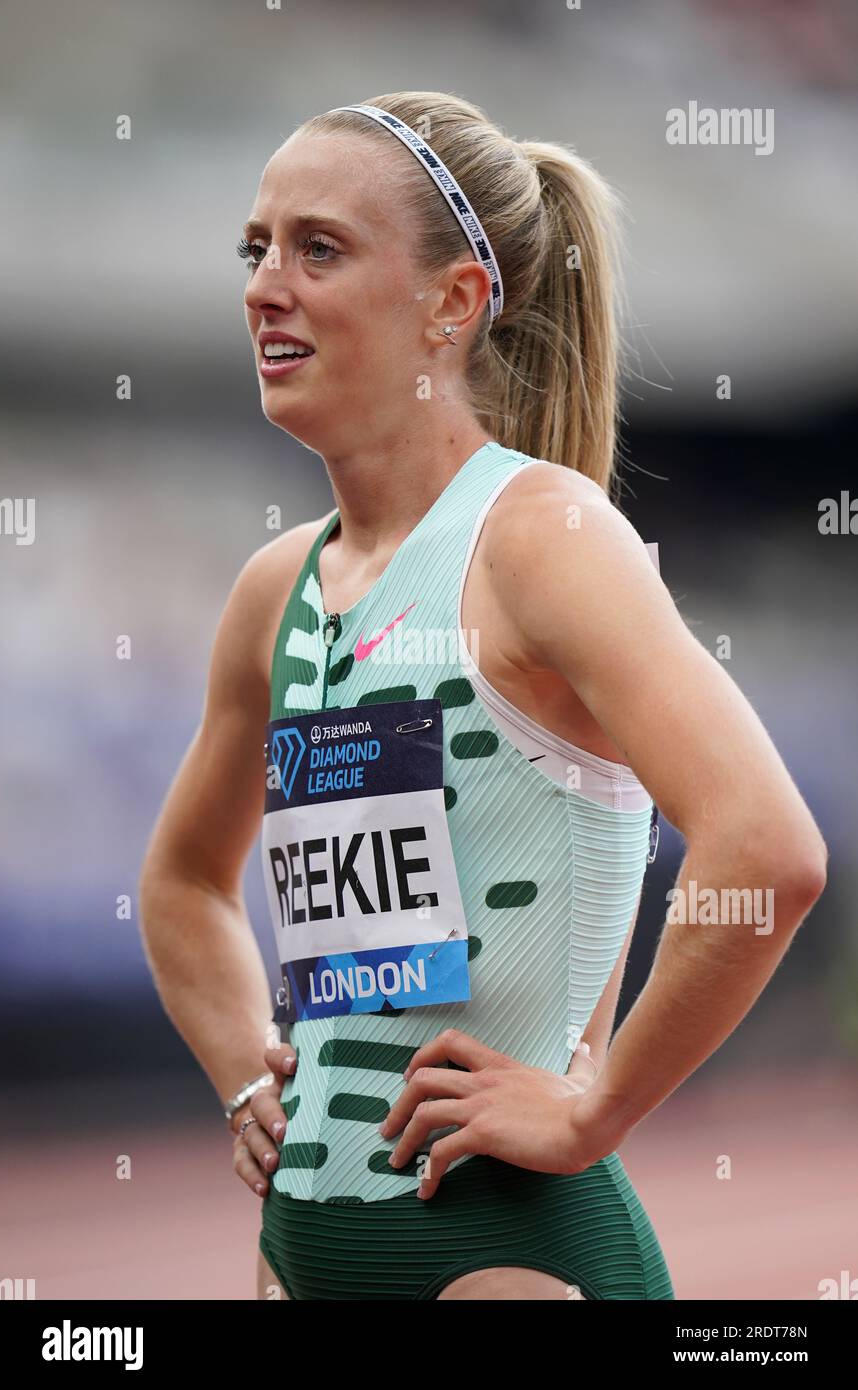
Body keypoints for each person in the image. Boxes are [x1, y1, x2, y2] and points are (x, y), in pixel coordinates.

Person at [138, 92, 827, 1302]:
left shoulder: (541, 540)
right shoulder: (274, 591)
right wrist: (250, 1083)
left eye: (319, 248)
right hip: (300, 1248)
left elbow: (765, 850)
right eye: (254, 248)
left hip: (499, 1251)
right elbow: (184, 882)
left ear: (451, 304)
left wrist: (591, 1112)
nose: (263, 285)